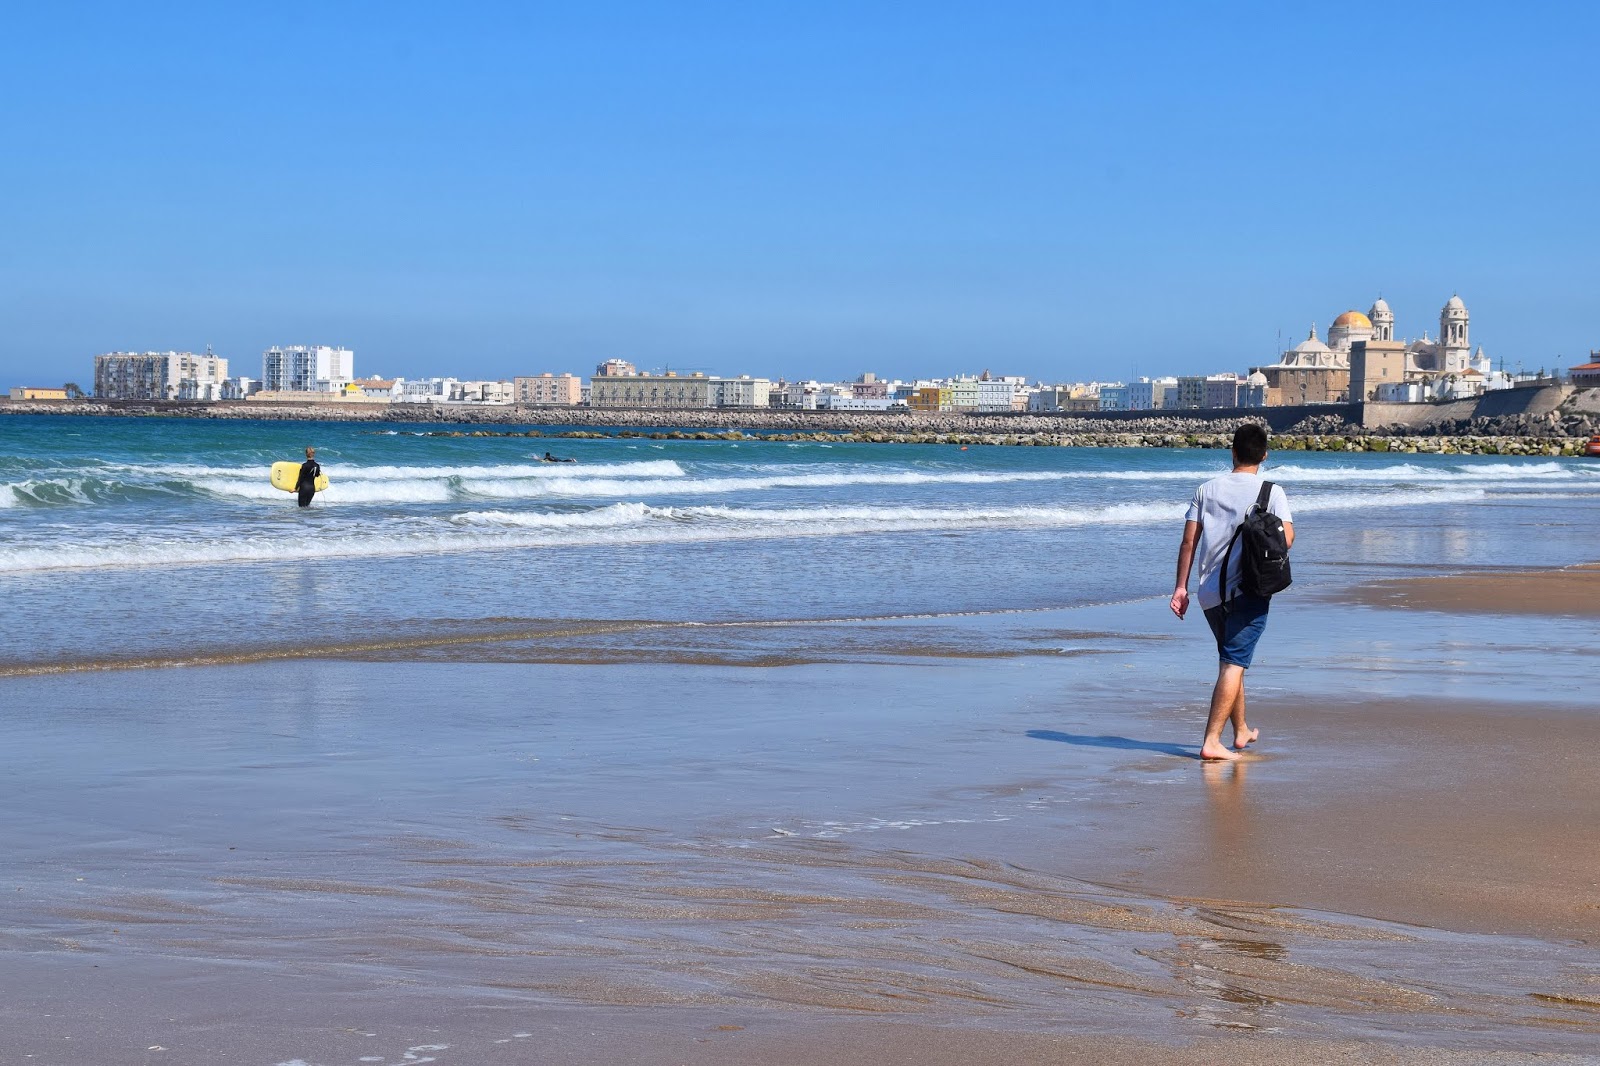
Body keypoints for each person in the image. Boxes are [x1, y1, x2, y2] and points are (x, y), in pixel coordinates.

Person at [1170, 424, 1294, 762]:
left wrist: (1180, 588)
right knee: (1233, 664)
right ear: (1264, 455)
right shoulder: (1272, 492)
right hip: (1249, 590)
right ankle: (1212, 740)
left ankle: (1240, 731)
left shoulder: (1206, 490)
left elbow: (1188, 542)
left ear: (1233, 452)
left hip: (1209, 593)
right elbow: (1287, 540)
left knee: (1231, 659)